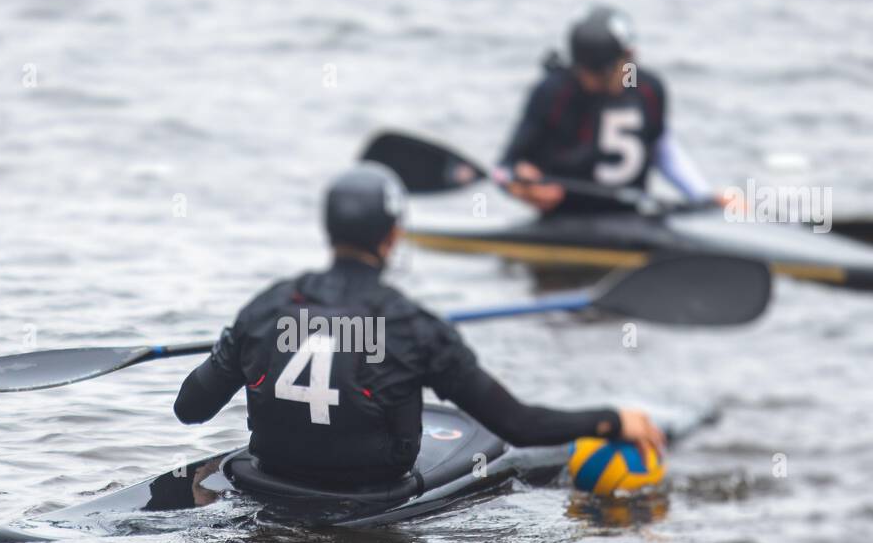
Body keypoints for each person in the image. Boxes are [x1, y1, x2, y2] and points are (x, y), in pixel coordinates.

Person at [174, 163, 665, 487]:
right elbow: (520, 425)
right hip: (372, 492)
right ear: (391, 236)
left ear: (329, 231)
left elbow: (189, 409)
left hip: (271, 479)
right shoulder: (413, 327)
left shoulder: (263, 309)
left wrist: (231, 347)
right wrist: (612, 419)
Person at [495, 5, 719, 215]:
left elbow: (662, 150)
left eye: (625, 64)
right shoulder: (554, 91)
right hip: (565, 219)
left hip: (631, 219)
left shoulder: (647, 88)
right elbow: (504, 168)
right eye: (598, 73)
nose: (624, 74)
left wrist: (706, 199)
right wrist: (522, 186)